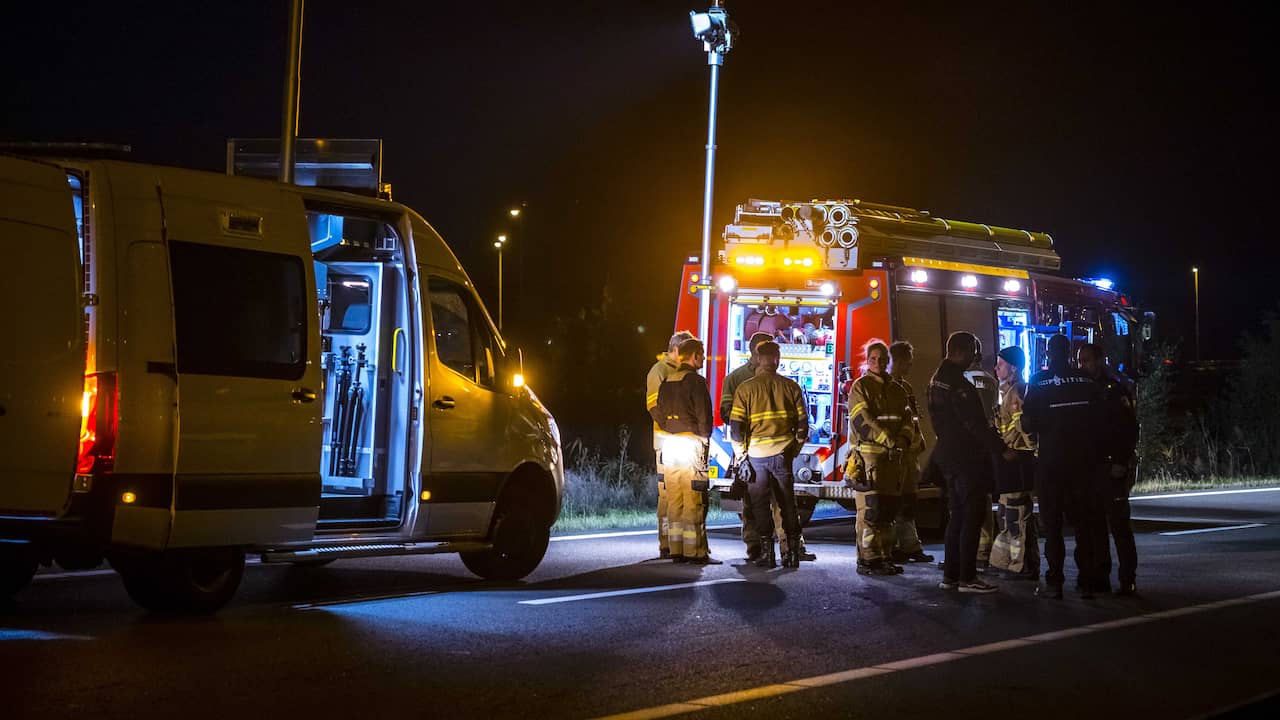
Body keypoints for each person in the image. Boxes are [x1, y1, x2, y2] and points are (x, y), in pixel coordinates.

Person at [1022, 334, 1106, 599]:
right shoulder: (1086, 382)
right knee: (1083, 525)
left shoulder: (1037, 382)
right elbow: (1099, 423)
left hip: (1051, 465)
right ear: (1069, 353)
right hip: (1083, 465)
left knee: (1053, 527)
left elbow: (1028, 424)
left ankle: (1055, 582)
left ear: (1048, 354)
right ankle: (1087, 582)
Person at [928, 331, 1012, 593]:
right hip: (966, 459)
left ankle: (951, 576)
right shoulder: (958, 386)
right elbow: (975, 424)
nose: (975, 359)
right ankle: (967, 577)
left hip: (948, 457)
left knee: (956, 517)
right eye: (973, 354)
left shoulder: (936, 380)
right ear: (962, 352)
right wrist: (1000, 449)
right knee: (971, 516)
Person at [729, 341, 809, 569]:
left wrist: (741, 457)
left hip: (756, 458)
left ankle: (767, 553)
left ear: (757, 358)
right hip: (783, 455)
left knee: (760, 506)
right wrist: (795, 449)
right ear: (776, 358)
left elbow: (736, 428)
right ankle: (792, 554)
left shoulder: (745, 388)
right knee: (787, 505)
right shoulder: (791, 387)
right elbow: (803, 424)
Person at [650, 338, 721, 565]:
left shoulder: (667, 380)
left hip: (670, 444)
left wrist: (670, 428)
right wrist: (703, 437)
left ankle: (676, 549)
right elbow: (704, 416)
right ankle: (696, 552)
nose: (703, 358)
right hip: (691, 444)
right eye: (702, 354)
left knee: (674, 498)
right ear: (694, 356)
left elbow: (657, 411)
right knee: (694, 499)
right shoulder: (697, 382)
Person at [847, 339, 915, 576]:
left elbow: (908, 420)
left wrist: (905, 440)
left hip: (893, 461)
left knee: (888, 512)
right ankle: (867, 559)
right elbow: (862, 420)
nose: (878, 363)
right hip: (869, 462)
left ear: (888, 361)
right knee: (870, 512)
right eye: (873, 359)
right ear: (867, 361)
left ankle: (884, 556)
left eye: (883, 359)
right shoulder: (860, 387)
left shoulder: (897, 390)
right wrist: (889, 440)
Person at [1078, 342, 1140, 595]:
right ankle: (1099, 577)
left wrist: (1120, 461)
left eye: (1087, 361)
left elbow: (1128, 430)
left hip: (1111, 466)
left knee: (1119, 527)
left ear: (1100, 360)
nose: (1083, 366)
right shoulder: (1080, 388)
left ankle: (1127, 579)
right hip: (1089, 468)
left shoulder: (1115, 389)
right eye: (1080, 361)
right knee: (1094, 528)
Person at [990, 345, 1040, 580]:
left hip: (1017, 460)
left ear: (1013, 367)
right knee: (1008, 514)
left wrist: (1032, 449)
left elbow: (1024, 427)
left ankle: (1021, 566)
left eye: (1000, 364)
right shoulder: (1007, 392)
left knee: (1016, 517)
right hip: (1010, 462)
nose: (996, 368)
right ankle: (1010, 563)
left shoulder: (1016, 392)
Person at [646, 330, 694, 559]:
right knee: (667, 494)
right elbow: (654, 407)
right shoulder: (660, 371)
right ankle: (666, 543)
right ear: (676, 350)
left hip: (682, 440)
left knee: (684, 494)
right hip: (667, 441)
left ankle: (682, 544)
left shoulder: (680, 371)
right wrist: (671, 428)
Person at [886, 340, 933, 564]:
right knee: (894, 502)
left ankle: (910, 545)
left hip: (909, 453)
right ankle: (894, 547)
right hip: (895, 454)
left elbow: (913, 418)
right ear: (899, 361)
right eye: (908, 362)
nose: (910, 366)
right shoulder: (886, 387)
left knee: (908, 500)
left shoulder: (905, 386)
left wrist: (917, 441)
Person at [963, 340, 1000, 571]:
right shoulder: (991, 380)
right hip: (985, 447)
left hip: (966, 446)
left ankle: (965, 552)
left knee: (963, 502)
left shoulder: (960, 380)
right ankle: (984, 551)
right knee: (984, 499)